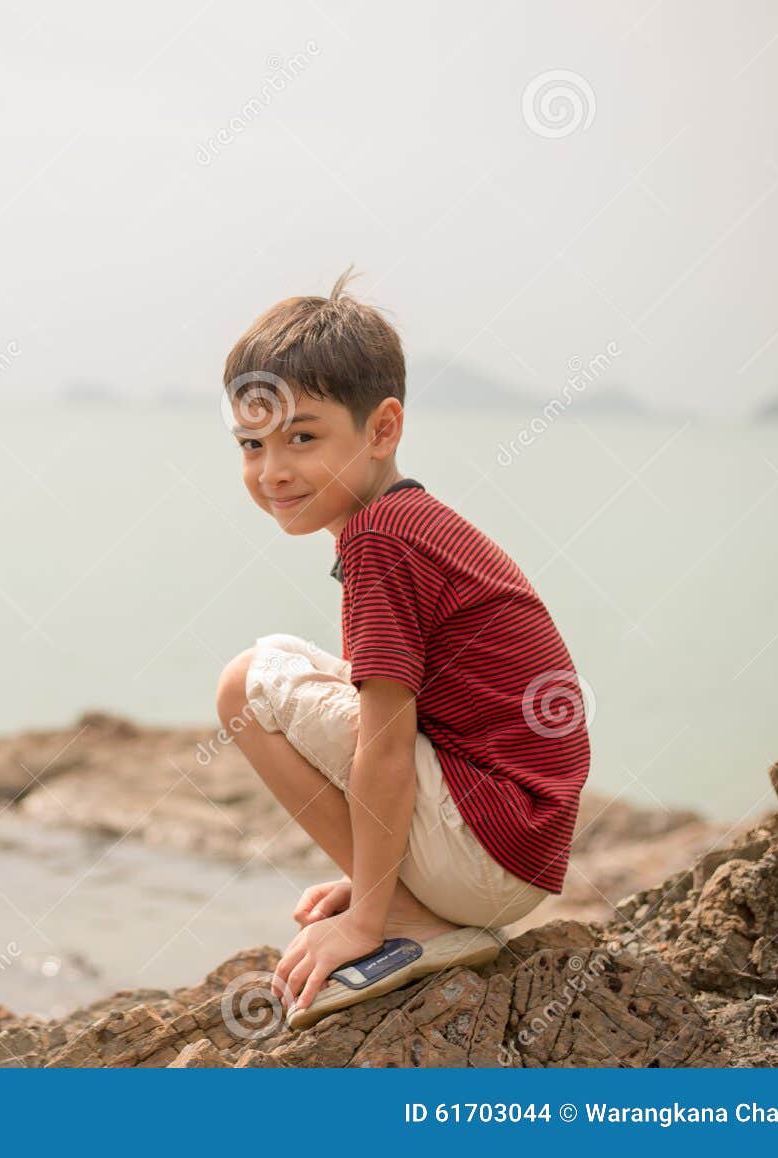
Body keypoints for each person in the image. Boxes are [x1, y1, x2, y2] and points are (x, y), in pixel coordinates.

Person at [213, 268, 591, 1029]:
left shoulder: (381, 541)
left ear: (382, 429)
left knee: (246, 685)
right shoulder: (408, 521)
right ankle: (412, 898)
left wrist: (367, 919)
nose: (272, 470)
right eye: (252, 444)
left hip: (488, 846)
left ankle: (413, 922)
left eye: (303, 437)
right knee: (289, 660)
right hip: (517, 848)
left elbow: (386, 748)